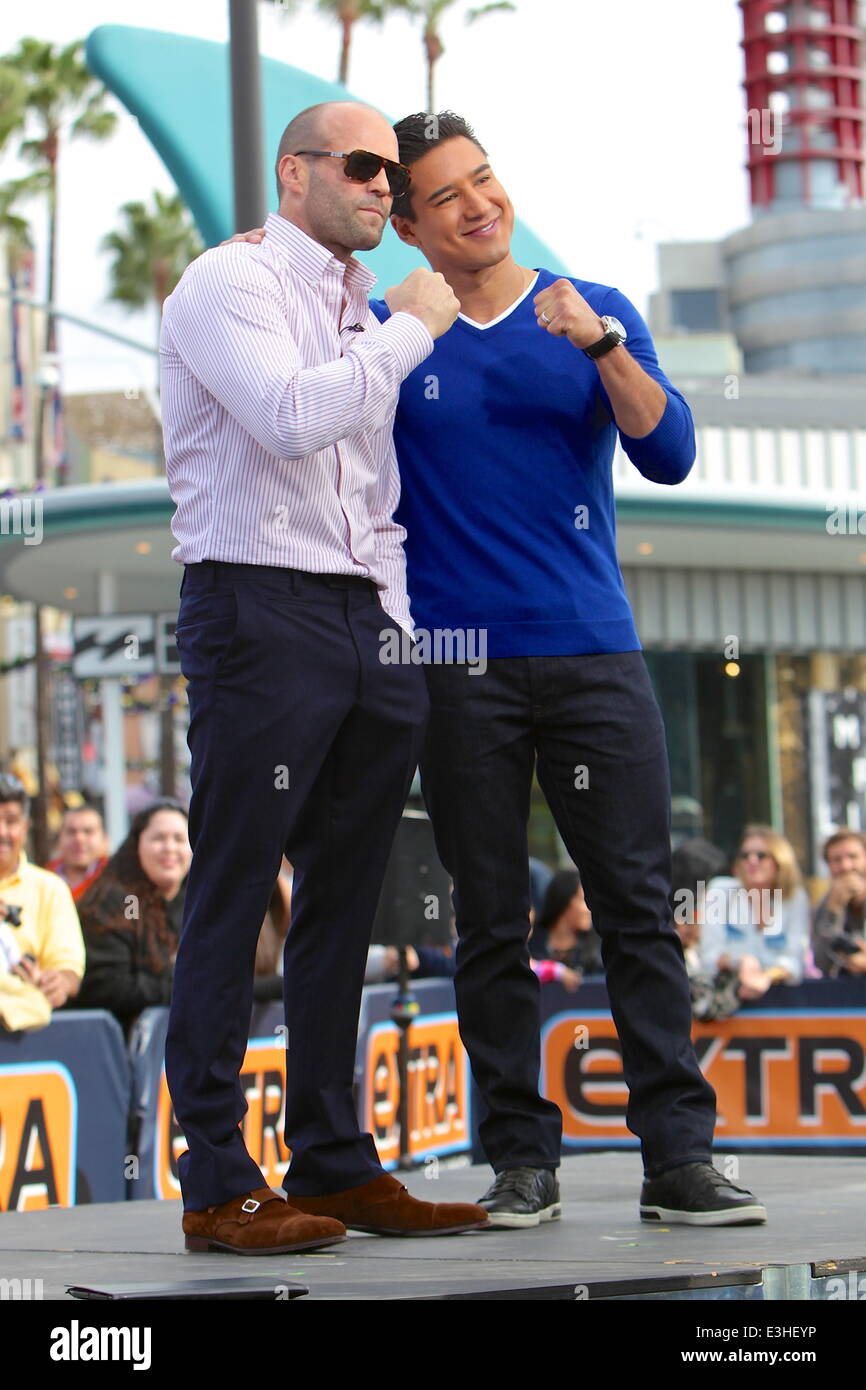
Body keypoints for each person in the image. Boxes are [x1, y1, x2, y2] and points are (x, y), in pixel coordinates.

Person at [229, 110, 766, 1229]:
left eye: (485, 181)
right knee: (486, 921)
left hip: (592, 653)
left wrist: (601, 347)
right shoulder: (388, 332)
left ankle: (679, 1158)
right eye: (447, 197)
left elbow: (668, 455)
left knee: (633, 910)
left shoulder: (593, 309)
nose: (478, 205)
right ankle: (520, 1158)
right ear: (414, 229)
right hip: (456, 668)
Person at [160, 98, 487, 1256]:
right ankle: (214, 1178)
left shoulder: (361, 303)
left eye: (391, 174)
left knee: (346, 898)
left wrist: (393, 616)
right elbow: (292, 421)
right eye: (360, 166)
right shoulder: (230, 282)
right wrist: (410, 330)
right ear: (294, 171)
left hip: (366, 618)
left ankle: (334, 1158)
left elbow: (367, 494)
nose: (382, 187)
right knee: (238, 883)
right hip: (258, 601)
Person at [74, 801, 191, 1032]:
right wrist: (191, 987)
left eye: (179, 839)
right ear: (137, 844)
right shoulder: (117, 899)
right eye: (158, 838)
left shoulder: (198, 900)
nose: (169, 848)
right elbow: (108, 986)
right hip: (117, 1047)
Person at [0, 773, 85, 1032]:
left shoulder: (50, 889)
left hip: (29, 1048)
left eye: (11, 821)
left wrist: (58, 981)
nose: (2, 832)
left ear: (25, 827)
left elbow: (68, 968)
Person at [700, 825, 811, 998]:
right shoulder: (720, 890)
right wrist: (740, 962)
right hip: (726, 1001)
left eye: (761, 855)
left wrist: (764, 978)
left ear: (780, 860)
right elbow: (709, 956)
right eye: (745, 855)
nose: (752, 860)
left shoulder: (795, 898)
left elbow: (795, 960)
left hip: (781, 1000)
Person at [530, 868, 604, 979]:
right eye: (584, 900)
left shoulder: (596, 947)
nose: (589, 909)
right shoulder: (531, 940)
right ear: (564, 899)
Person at [811, 829, 866, 978]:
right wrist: (834, 909)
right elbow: (822, 963)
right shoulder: (826, 904)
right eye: (837, 860)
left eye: (853, 857)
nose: (846, 866)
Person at [45, 803, 109, 902]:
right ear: (59, 838)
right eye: (71, 831)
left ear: (105, 839)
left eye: (88, 831)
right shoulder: (44, 879)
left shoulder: (118, 880)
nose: (79, 839)